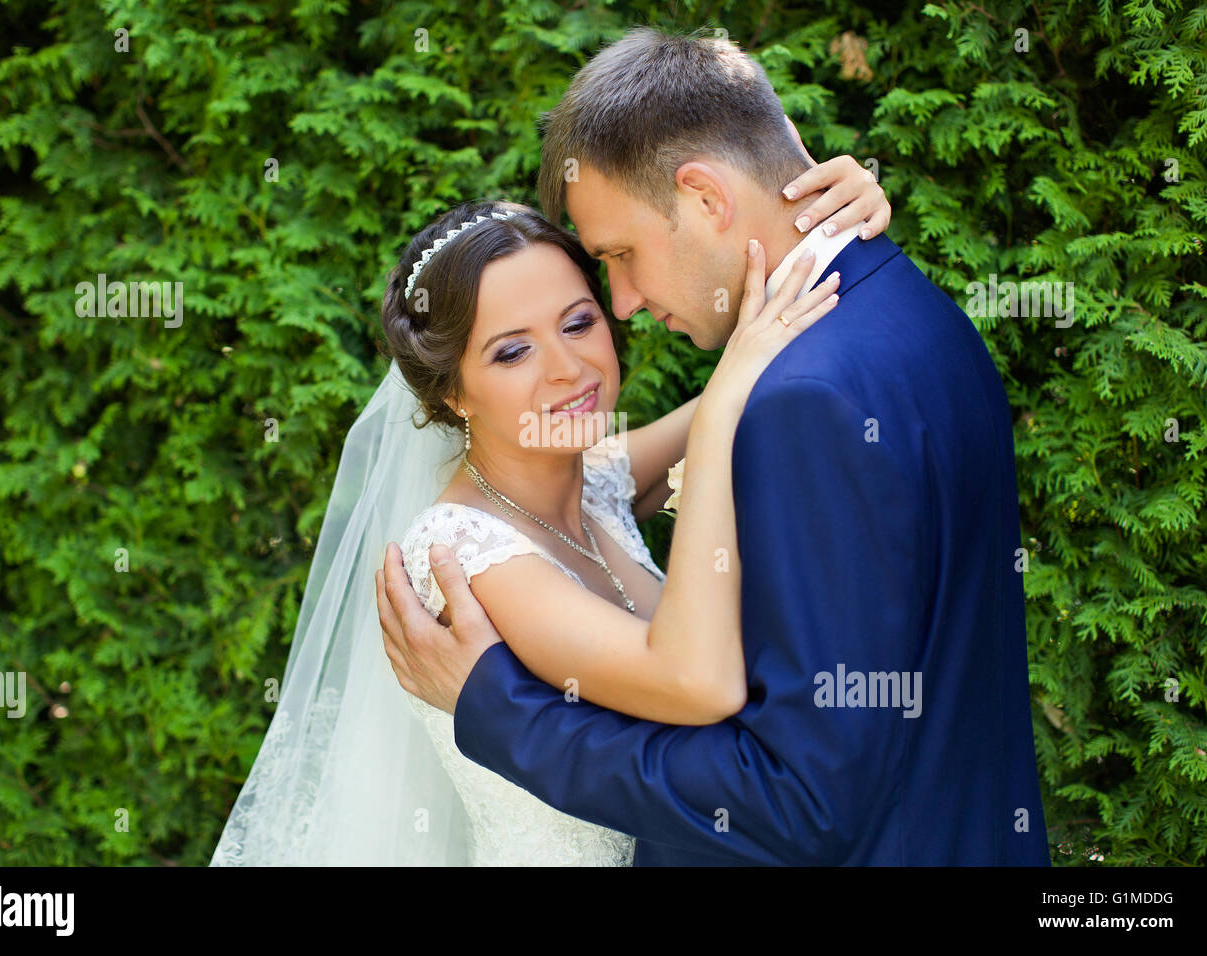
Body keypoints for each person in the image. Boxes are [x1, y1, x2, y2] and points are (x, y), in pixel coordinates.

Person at [377, 27, 1051, 866]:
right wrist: (817, 226)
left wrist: (496, 706)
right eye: (511, 350)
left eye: (608, 275)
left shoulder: (785, 405)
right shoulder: (914, 311)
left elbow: (801, 798)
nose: (620, 307)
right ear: (451, 390)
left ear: (704, 198)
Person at [208, 146, 890, 866]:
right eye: (511, 353)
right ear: (450, 393)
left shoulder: (593, 475)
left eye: (576, 323)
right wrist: (724, 408)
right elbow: (698, 683)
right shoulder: (462, 559)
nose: (568, 369)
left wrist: (826, 223)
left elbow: (764, 351)